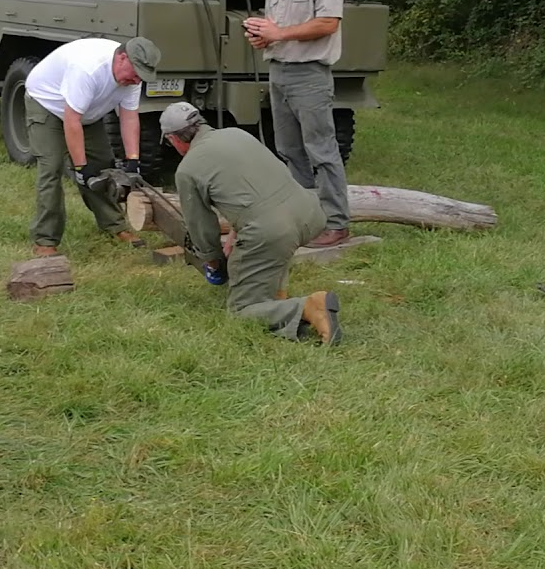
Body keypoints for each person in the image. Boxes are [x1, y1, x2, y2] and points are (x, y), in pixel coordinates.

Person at [160, 101, 343, 345]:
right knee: (270, 242)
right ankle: (276, 293)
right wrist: (236, 235)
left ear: (173, 139)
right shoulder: (236, 134)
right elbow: (256, 187)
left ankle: (308, 307)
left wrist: (213, 261)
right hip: (310, 213)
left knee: (241, 311)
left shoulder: (188, 169)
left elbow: (202, 228)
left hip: (275, 231)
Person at [243, 0, 351, 248]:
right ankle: (307, 219)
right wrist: (263, 38)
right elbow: (276, 27)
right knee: (289, 150)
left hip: (310, 74)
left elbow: (328, 23)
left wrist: (280, 33)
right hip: (279, 71)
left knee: (321, 149)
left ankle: (336, 223)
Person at [23, 36, 162, 258]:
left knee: (101, 166)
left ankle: (115, 227)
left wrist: (133, 161)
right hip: (48, 105)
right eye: (135, 75)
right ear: (122, 58)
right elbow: (71, 121)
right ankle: (45, 240)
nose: (137, 81)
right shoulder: (87, 69)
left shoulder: (133, 76)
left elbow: (128, 117)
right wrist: (81, 168)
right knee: (52, 169)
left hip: (86, 112)